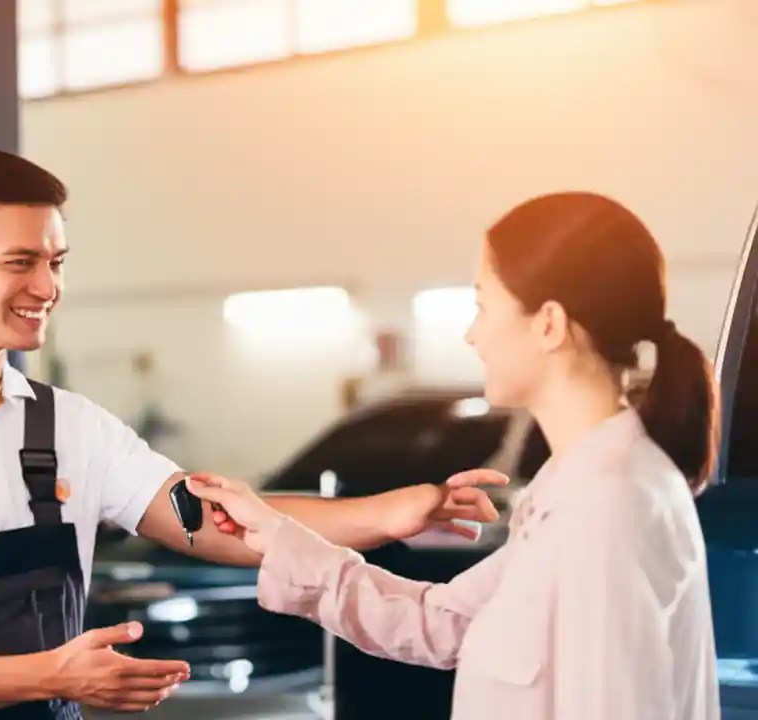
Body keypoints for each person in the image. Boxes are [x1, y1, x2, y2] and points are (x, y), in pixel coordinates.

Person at [0, 148, 506, 719]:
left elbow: (219, 523)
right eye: (20, 262)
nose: (47, 288)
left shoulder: (65, 426)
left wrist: (394, 511)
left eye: (56, 262)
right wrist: (51, 675)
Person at [188, 191, 721, 719]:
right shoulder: (575, 487)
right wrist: (276, 535)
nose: (472, 334)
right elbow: (441, 623)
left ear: (549, 324)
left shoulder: (609, 505)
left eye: (483, 307)